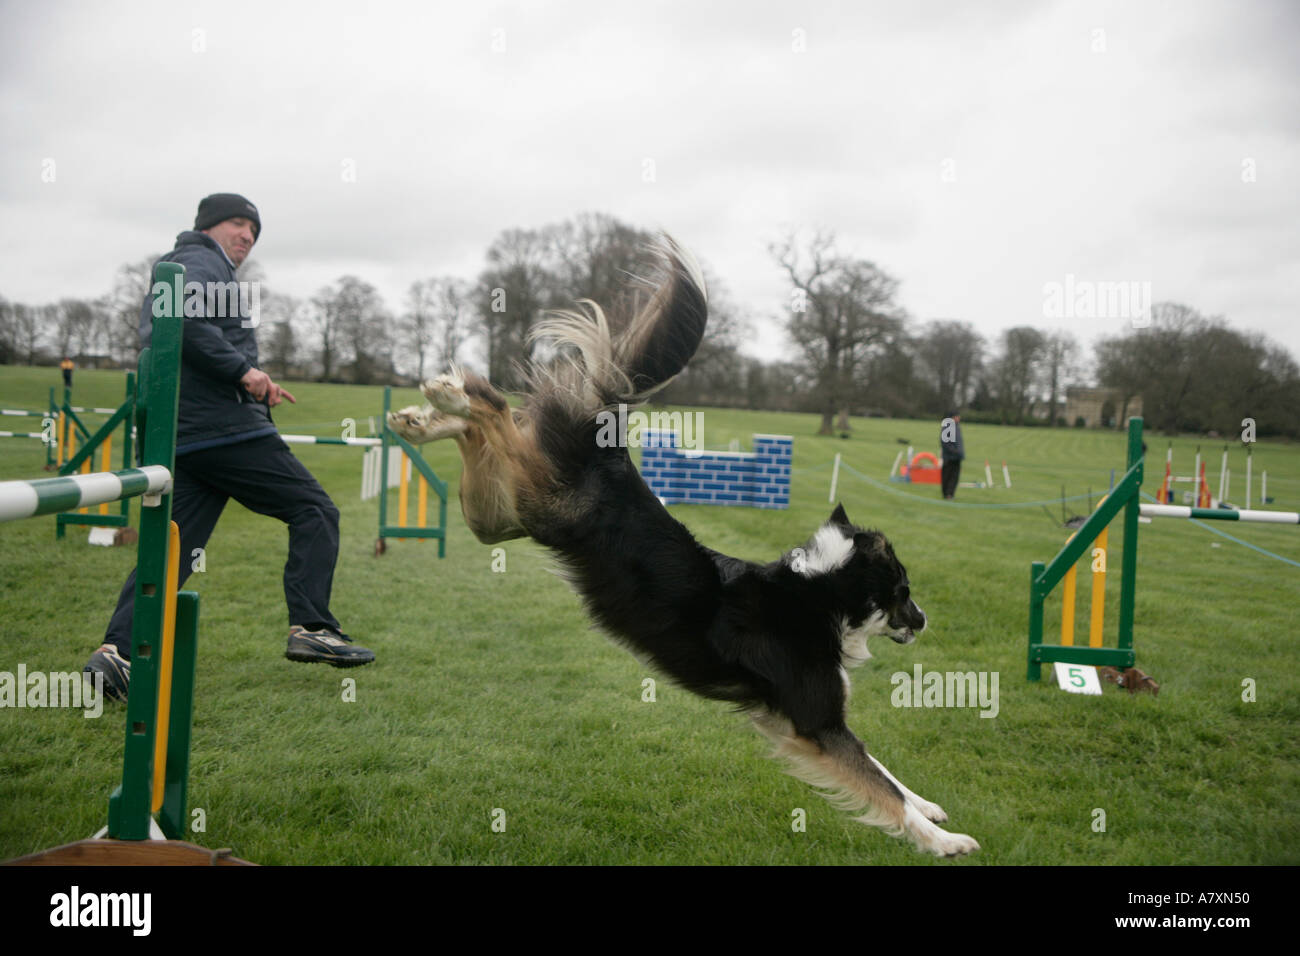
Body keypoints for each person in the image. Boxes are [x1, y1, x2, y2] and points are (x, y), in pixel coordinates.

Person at [84, 193, 373, 701]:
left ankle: (117, 656)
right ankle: (311, 626)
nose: (247, 236)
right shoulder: (199, 261)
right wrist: (245, 373)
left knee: (178, 550)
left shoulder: (185, 266)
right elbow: (190, 327)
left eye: (254, 230)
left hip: (187, 436)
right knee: (314, 509)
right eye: (238, 224)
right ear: (210, 226)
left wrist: (253, 384)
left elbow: (184, 335)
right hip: (223, 429)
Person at [940, 410, 964, 500]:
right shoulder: (947, 426)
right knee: (947, 476)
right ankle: (947, 494)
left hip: (957, 457)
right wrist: (955, 451)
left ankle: (950, 494)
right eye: (957, 416)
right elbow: (945, 443)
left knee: (955, 477)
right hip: (949, 457)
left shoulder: (957, 427)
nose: (959, 418)